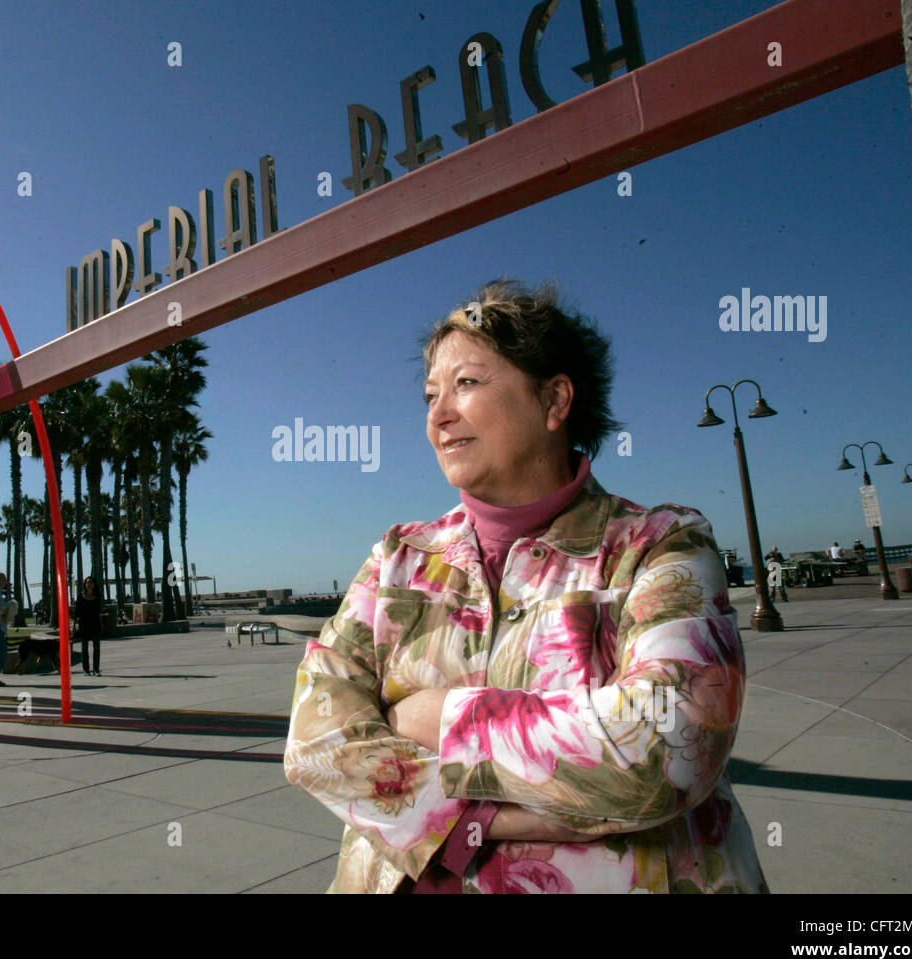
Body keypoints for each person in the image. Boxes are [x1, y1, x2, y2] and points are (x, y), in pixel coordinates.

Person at [284, 280, 769, 894]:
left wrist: (438, 719)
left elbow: (670, 743)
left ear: (554, 400)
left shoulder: (657, 547)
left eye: (467, 384)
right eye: (431, 395)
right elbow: (315, 737)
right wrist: (486, 821)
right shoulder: (397, 559)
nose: (438, 415)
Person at [75, 576, 102, 676]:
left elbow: (99, 611)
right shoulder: (81, 597)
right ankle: (86, 670)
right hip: (84, 625)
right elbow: (77, 612)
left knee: (96, 649)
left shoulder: (97, 596)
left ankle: (96, 669)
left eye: (91, 582)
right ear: (85, 585)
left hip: (95, 624)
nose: (89, 584)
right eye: (87, 582)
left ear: (94, 585)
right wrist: (74, 625)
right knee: (84, 649)